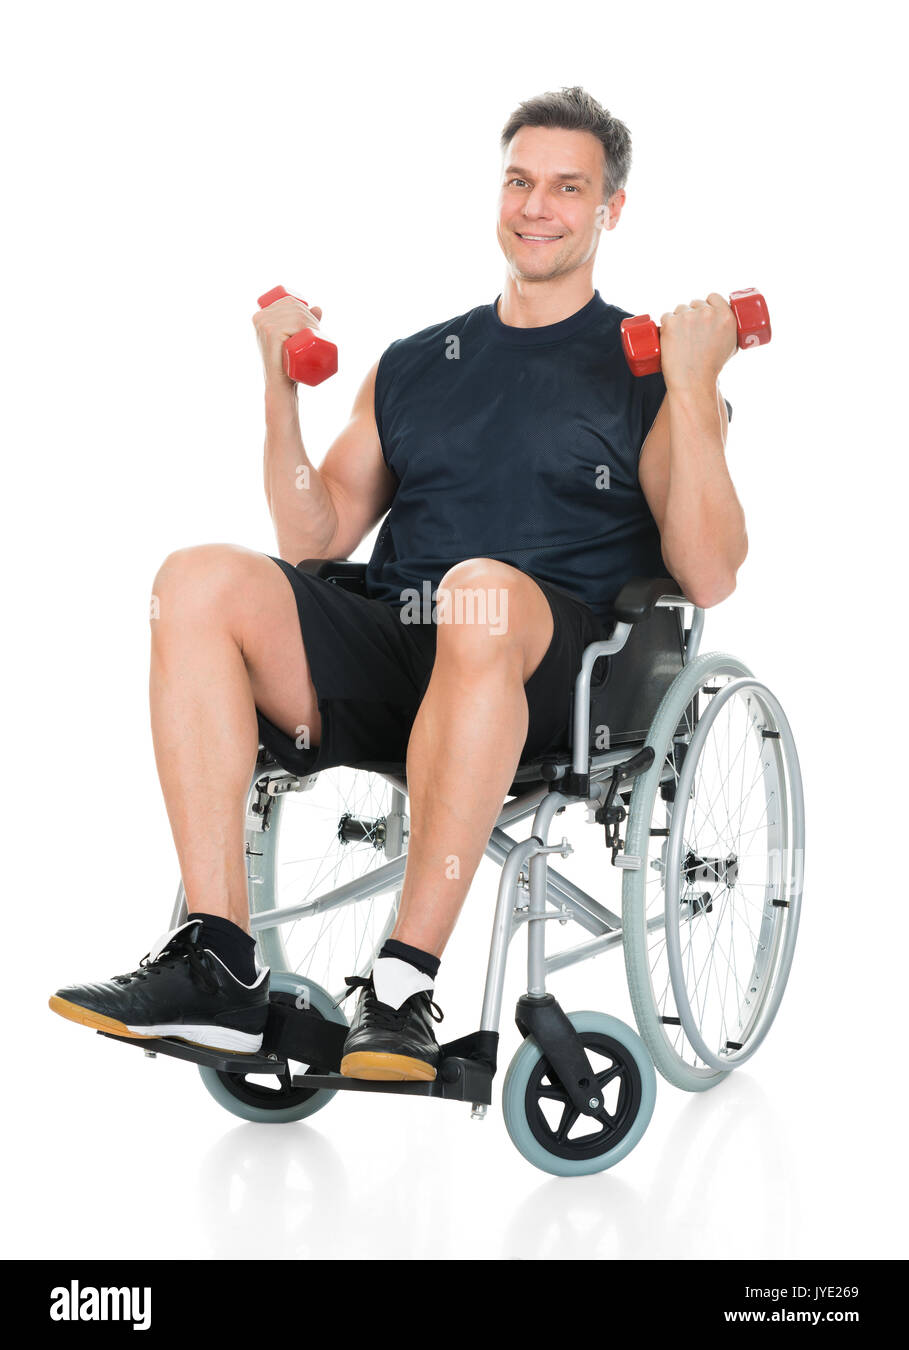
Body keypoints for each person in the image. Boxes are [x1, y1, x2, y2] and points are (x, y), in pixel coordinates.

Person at [49, 86, 745, 1082]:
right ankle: (222, 964)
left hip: (555, 670)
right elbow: (315, 531)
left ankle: (403, 985)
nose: (536, 205)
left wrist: (691, 385)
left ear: (610, 209)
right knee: (195, 579)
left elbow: (710, 570)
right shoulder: (418, 362)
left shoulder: (652, 368)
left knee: (481, 593)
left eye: (567, 186)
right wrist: (279, 389)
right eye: (519, 180)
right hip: (403, 641)